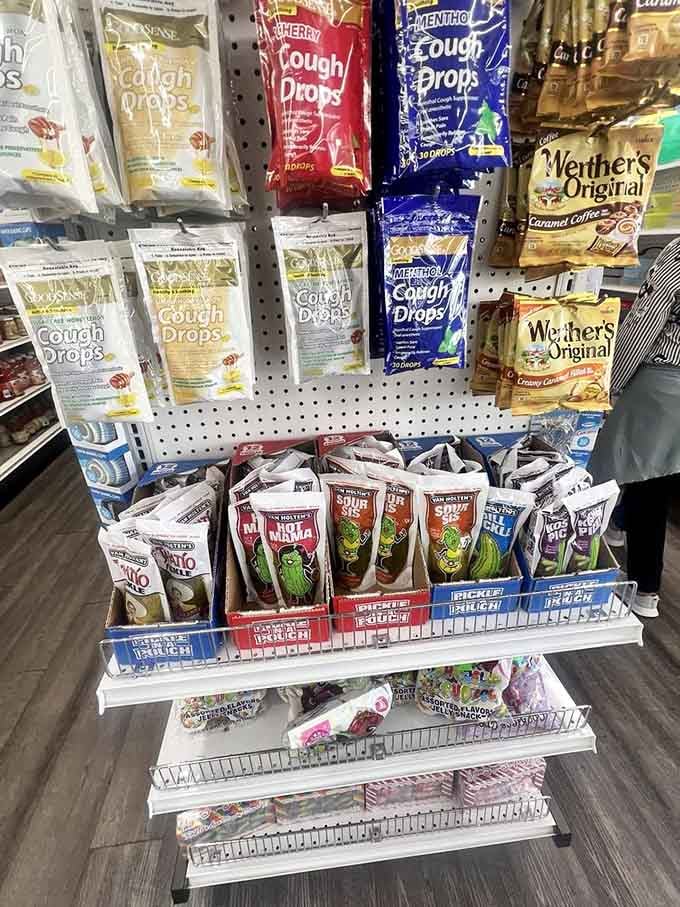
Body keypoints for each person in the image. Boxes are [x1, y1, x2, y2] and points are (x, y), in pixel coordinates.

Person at [589, 238, 680, 619]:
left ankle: (644, 589)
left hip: (667, 382)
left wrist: (610, 385)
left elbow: (645, 321)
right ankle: (618, 527)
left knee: (645, 481)